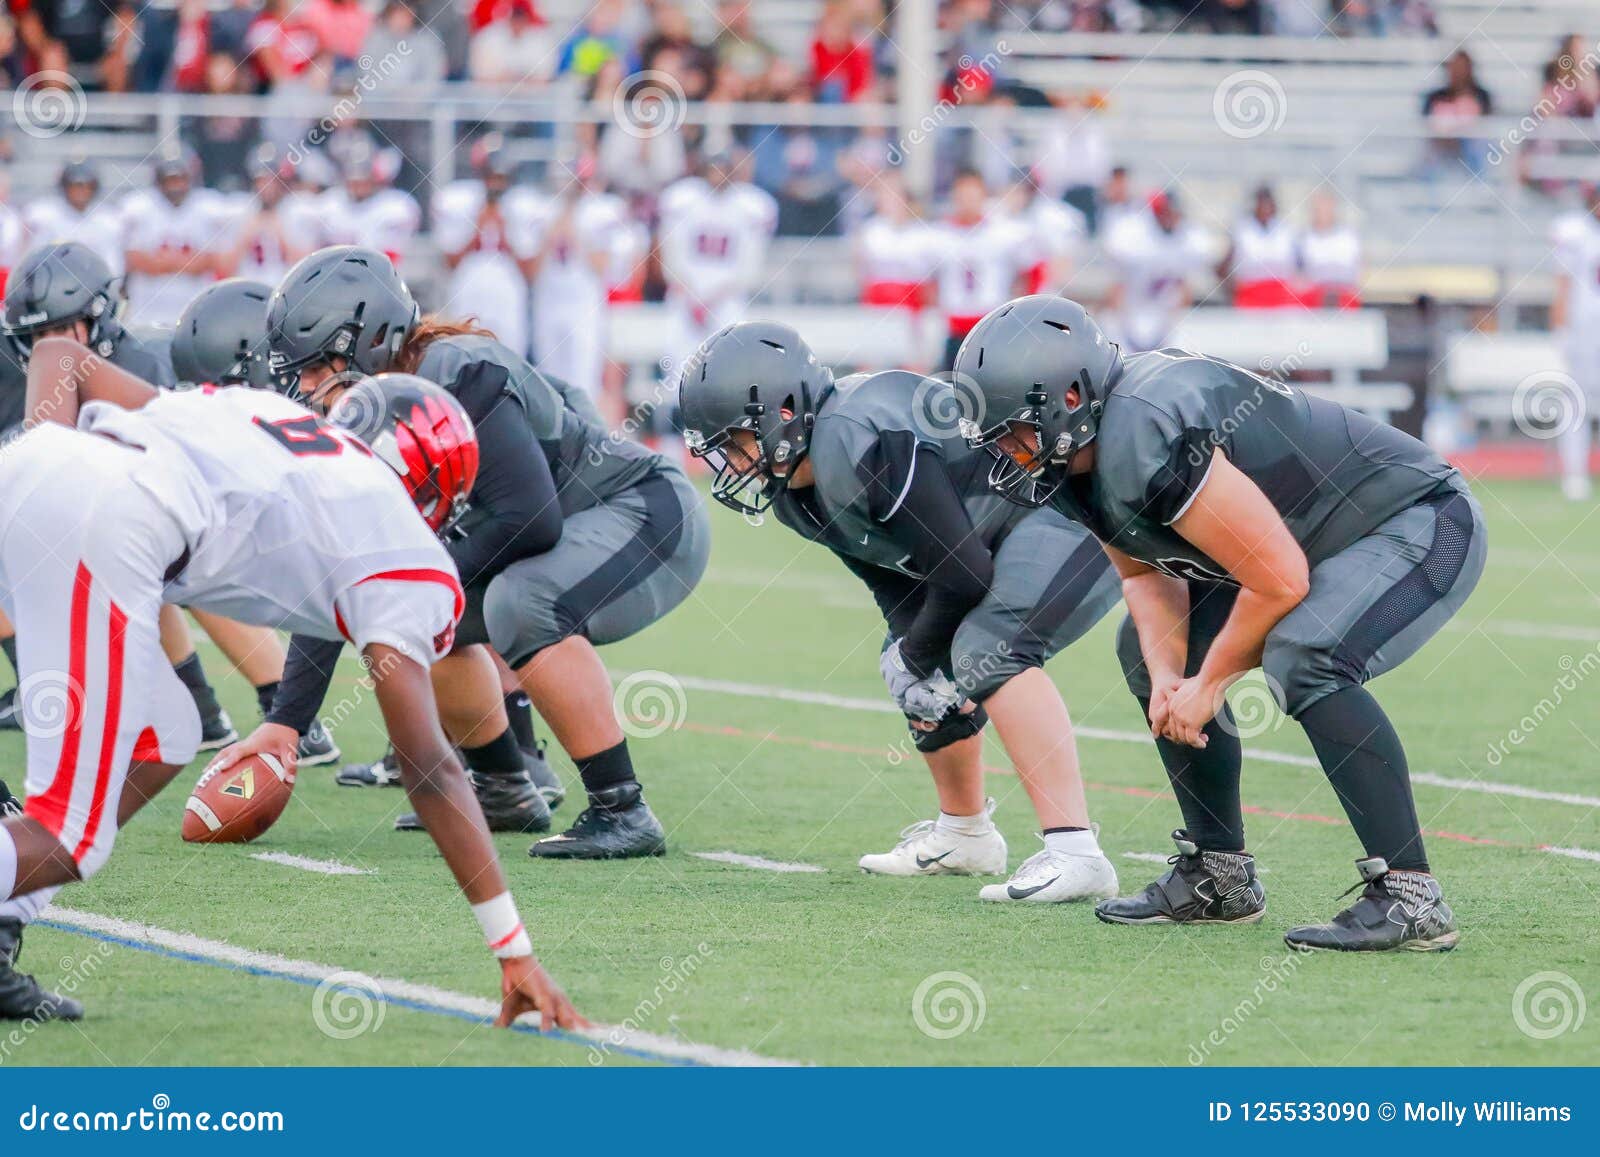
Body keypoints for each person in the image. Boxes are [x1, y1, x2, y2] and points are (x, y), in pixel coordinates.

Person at [0, 350, 584, 1029]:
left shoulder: (272, 414)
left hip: (34, 461)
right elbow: (428, 765)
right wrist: (513, 948)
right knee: (71, 833)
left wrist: (44, 450)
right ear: (434, 490)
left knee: (168, 734)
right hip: (110, 515)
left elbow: (62, 359)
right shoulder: (402, 539)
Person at [955, 295, 1485, 952]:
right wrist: (1171, 678)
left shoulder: (1147, 428)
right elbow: (1146, 574)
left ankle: (1412, 896)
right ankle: (1220, 877)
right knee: (1145, 650)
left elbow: (1282, 579)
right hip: (1309, 541)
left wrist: (1207, 684)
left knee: (1306, 654)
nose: (1007, 448)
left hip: (1412, 517)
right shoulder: (1077, 455)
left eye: (1015, 428)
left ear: (1069, 398)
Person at [237, 246, 710, 858]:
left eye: (314, 367)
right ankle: (502, 785)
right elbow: (344, 569)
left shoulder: (454, 369)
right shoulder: (374, 409)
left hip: (644, 514)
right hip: (575, 525)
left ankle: (622, 808)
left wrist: (409, 576)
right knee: (408, 613)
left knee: (516, 600)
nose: (306, 388)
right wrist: (286, 723)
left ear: (365, 340)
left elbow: (529, 518)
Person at [681, 322, 1122, 901]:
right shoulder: (797, 492)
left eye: (735, 440)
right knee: (918, 656)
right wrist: (911, 656)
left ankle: (1076, 852)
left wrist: (920, 654)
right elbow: (898, 578)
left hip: (1063, 505)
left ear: (784, 413)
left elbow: (963, 573)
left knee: (990, 649)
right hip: (1000, 528)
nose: (731, 462)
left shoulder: (861, 437)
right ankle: (966, 833)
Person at [121, 143, 233, 328]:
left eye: (180, 179)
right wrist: (190, 262)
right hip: (146, 314)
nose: (175, 186)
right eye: (169, 180)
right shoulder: (139, 206)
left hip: (195, 313)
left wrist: (162, 262)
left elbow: (220, 262)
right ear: (158, 180)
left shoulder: (209, 206)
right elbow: (135, 260)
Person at [1550, 185, 1600, 502]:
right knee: (1575, 401)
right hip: (1584, 328)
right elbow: (1563, 282)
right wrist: (1561, 328)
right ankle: (1574, 472)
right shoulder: (1576, 231)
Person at [21, 158, 126, 275]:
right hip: (53, 285)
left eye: (87, 185)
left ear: (94, 186)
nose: (81, 190)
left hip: (95, 287)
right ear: (65, 185)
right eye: (76, 185)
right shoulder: (45, 215)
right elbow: (35, 261)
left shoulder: (107, 219)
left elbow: (113, 267)